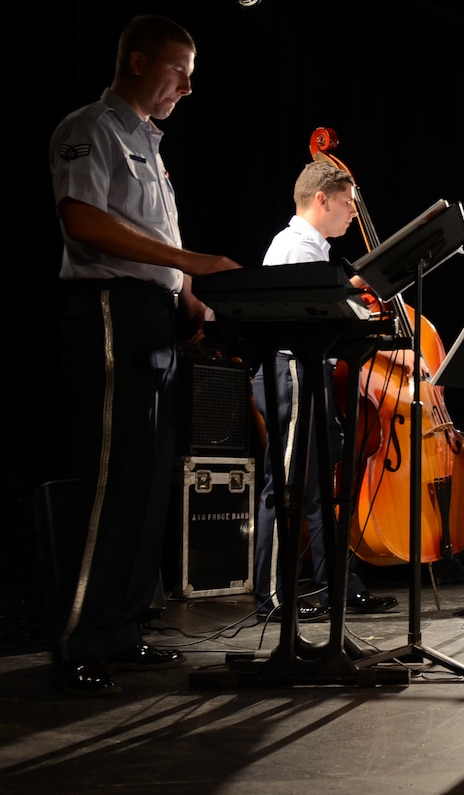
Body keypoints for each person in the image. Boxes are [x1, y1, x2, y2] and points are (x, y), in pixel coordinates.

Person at [47, 15, 242, 695]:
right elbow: (83, 220)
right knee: (112, 480)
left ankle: (122, 628)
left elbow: (160, 236)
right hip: (110, 308)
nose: (186, 88)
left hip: (156, 317)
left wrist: (189, 299)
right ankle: (79, 637)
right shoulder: (91, 127)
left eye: (191, 76)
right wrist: (190, 263)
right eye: (177, 71)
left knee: (150, 481)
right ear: (137, 61)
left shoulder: (151, 148)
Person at [252, 160, 401, 622]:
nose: (353, 213)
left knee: (317, 491)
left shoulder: (313, 249)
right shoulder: (295, 247)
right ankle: (271, 598)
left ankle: (338, 588)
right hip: (291, 370)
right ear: (321, 199)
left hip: (309, 370)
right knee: (287, 489)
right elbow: (308, 316)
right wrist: (355, 292)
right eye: (347, 203)